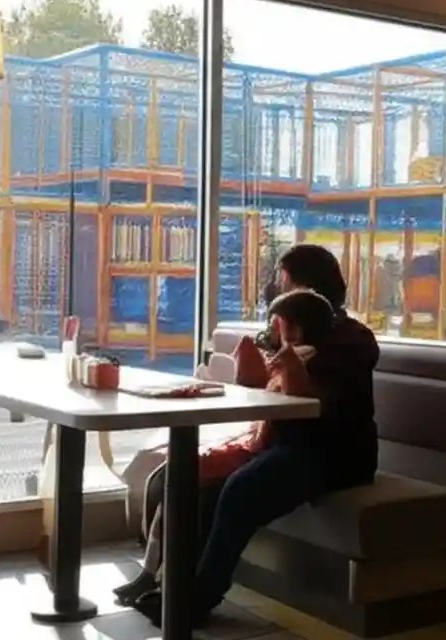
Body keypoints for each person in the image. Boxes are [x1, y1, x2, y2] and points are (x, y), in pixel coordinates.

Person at [133, 244, 380, 627]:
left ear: (308, 289)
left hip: (337, 454)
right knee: (201, 486)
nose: (276, 291)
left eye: (285, 283)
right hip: (288, 442)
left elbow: (317, 405)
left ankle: (196, 599)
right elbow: (264, 387)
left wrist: (288, 356)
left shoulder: (352, 340)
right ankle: (176, 588)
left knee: (240, 490)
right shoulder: (286, 331)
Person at [113, 287, 336, 606]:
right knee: (178, 477)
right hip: (263, 442)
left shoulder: (303, 359)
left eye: (278, 322)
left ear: (295, 327)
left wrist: (277, 361)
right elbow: (261, 393)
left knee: (207, 483)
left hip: (278, 447)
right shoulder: (293, 357)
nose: (271, 329)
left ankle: (186, 593)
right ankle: (164, 579)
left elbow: (293, 413)